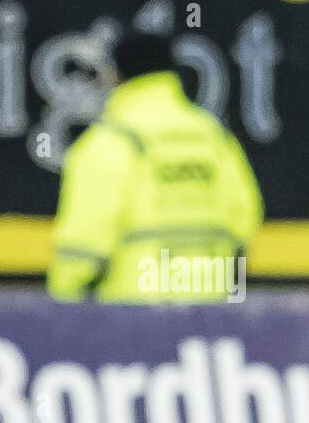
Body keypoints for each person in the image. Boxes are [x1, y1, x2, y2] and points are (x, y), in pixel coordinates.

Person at [48, 32, 263, 302]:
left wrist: (62, 300)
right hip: (208, 313)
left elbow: (84, 242)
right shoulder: (213, 137)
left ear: (115, 75)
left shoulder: (110, 141)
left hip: (128, 316)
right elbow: (244, 217)